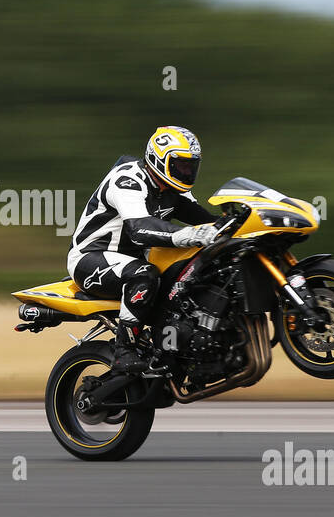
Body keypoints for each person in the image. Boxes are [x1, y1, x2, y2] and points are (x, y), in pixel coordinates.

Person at [67, 126, 220, 374]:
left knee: (189, 276)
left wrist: (231, 225)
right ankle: (123, 351)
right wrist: (189, 235)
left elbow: (202, 218)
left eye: (190, 166)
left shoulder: (172, 189)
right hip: (90, 257)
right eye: (180, 165)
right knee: (144, 274)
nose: (187, 172)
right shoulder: (127, 180)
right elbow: (139, 228)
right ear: (159, 160)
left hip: (133, 258)